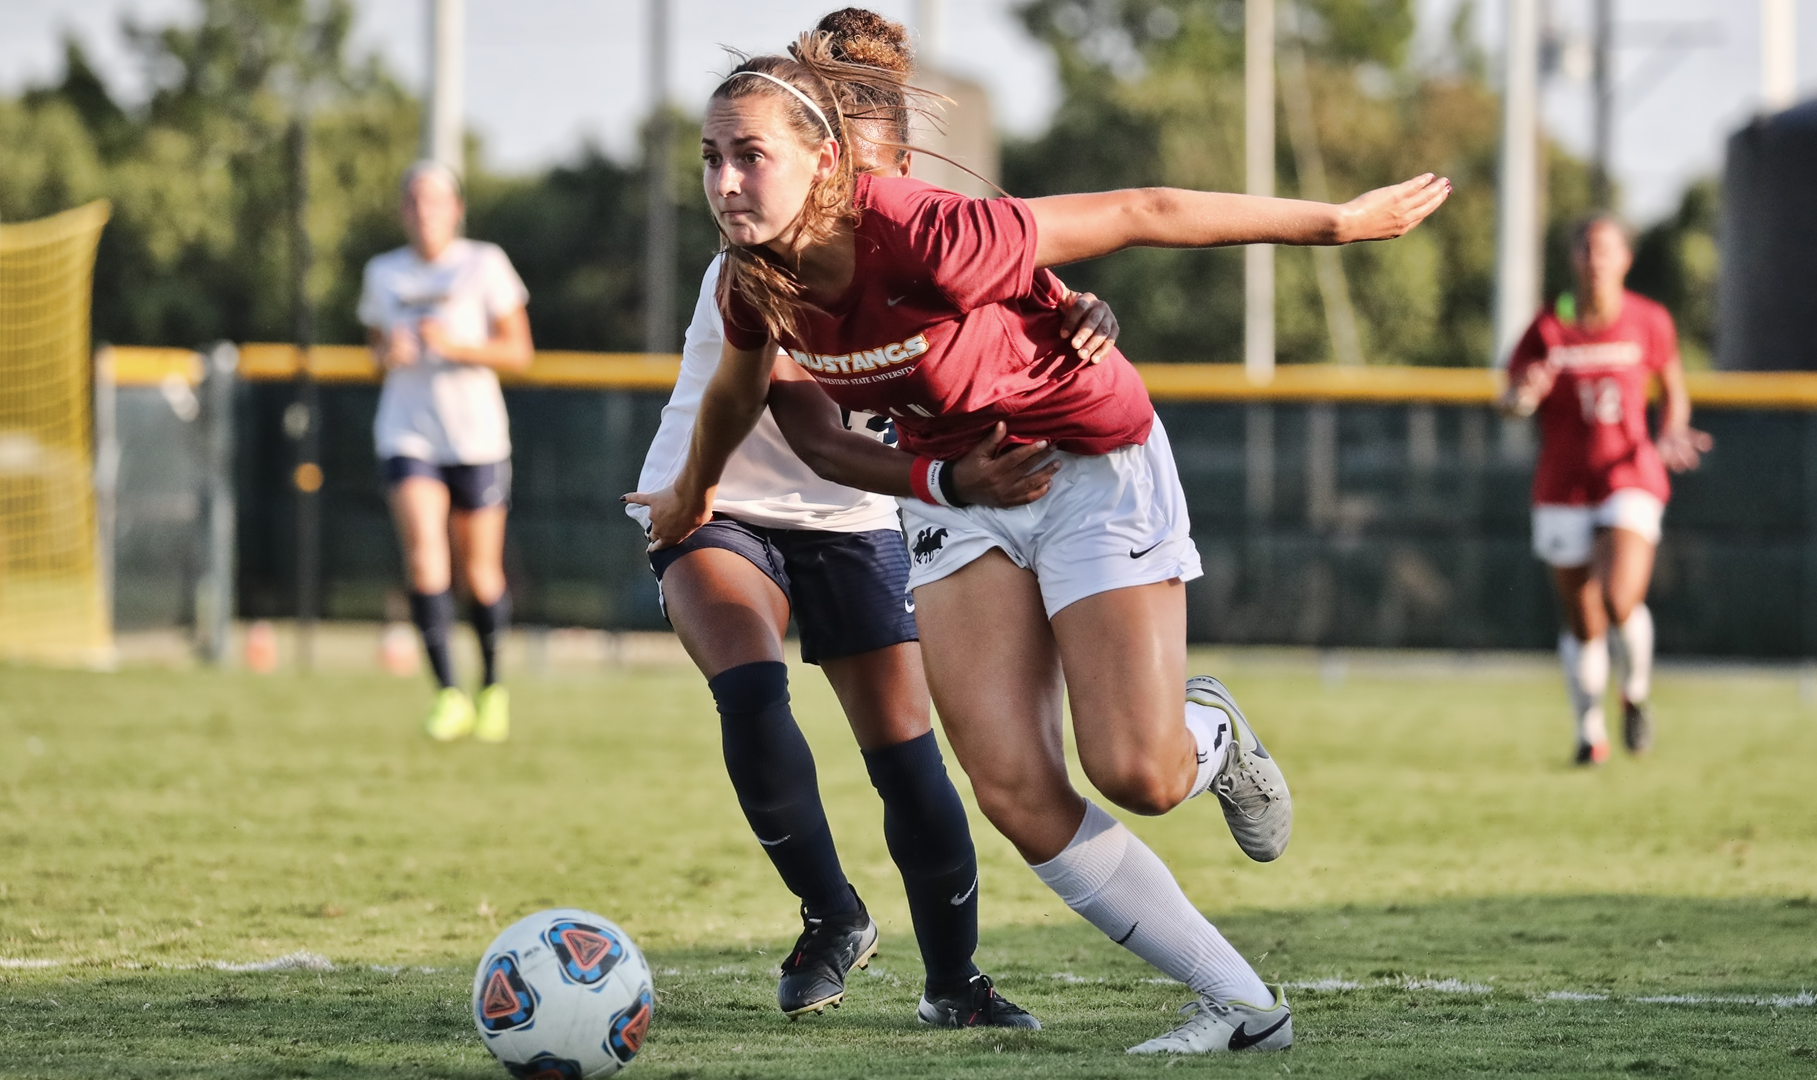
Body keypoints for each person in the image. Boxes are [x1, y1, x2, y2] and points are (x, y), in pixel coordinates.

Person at [625, 28, 1449, 1055]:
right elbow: (747, 403)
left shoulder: (923, 231)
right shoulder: (755, 280)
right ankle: (1241, 1005)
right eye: (711, 157)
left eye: (750, 155)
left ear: (823, 161)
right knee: (1012, 784)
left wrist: (1332, 222)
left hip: (1085, 463)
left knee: (1137, 773)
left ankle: (1215, 738)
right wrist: (694, 494)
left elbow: (1137, 212)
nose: (726, 181)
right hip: (959, 495)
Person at [625, 9, 1120, 1028]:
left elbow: (1024, 306)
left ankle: (955, 985)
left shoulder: (925, 236)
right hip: (721, 500)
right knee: (752, 686)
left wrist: (1079, 316)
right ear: (826, 164)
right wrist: (949, 486)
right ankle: (831, 913)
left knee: (906, 757)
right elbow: (816, 436)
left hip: (857, 519)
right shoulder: (759, 264)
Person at [1503, 213, 1711, 765]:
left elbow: (1673, 388)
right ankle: (1588, 730)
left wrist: (1670, 430)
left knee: (1620, 597)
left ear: (1625, 259)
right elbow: (1510, 398)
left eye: (1606, 250)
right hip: (1564, 484)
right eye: (1587, 250)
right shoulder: (1550, 326)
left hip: (1629, 472)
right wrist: (1524, 395)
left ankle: (1635, 693)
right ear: (1574, 259)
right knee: (1583, 617)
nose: (1596, 260)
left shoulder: (1648, 319)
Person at [358, 161, 533, 742]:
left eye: (434, 201)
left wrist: (456, 346)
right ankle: (447, 694)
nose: (423, 211)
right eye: (412, 201)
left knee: (480, 573)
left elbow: (519, 352)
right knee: (425, 558)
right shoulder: (382, 272)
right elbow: (375, 348)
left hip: (476, 436)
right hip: (408, 433)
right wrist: (391, 354)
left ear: (455, 210)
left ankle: (491, 686)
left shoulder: (484, 264)